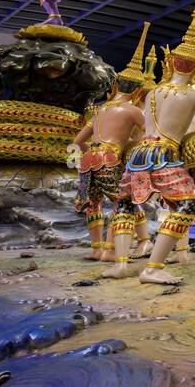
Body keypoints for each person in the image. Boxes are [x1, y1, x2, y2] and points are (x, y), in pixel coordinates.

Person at [111, 0, 195, 284]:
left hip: (139, 154)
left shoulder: (154, 92)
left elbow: (142, 126)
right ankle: (153, 267)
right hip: (164, 154)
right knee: (191, 204)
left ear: (170, 62)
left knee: (125, 203)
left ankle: (121, 264)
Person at [72, 24, 149, 268]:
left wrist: (87, 155)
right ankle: (110, 250)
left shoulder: (101, 109)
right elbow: (143, 140)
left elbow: (77, 141)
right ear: (137, 91)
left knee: (92, 203)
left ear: (116, 87)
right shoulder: (134, 110)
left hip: (88, 160)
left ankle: (95, 249)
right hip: (110, 158)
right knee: (122, 202)